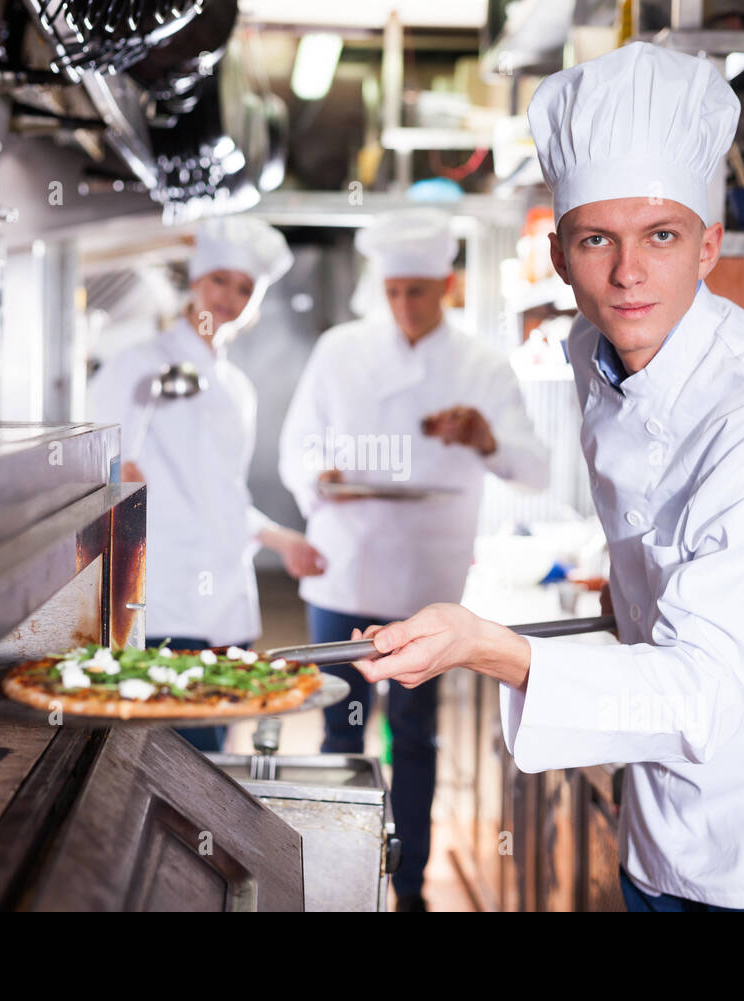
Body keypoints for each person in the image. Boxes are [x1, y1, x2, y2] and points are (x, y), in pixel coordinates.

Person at [346, 42, 744, 912]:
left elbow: (706, 690)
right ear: (559, 255)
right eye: (597, 239)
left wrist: (487, 643)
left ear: (709, 245)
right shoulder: (591, 349)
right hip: (658, 799)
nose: (628, 273)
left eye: (662, 236)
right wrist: (626, 602)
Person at [278, 208, 550, 911]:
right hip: (345, 569)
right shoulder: (341, 350)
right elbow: (296, 447)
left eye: (419, 291)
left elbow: (536, 469)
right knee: (339, 724)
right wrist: (323, 475)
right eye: (394, 290)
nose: (404, 305)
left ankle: (411, 883)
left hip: (429, 583)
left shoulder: (482, 366)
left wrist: (486, 438)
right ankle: (335, 873)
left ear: (448, 285)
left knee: (416, 735)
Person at [88, 214, 325, 752]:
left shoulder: (238, 388)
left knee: (214, 753)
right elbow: (100, 458)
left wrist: (280, 539)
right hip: (167, 591)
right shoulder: (139, 364)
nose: (228, 297)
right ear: (196, 280)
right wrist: (117, 469)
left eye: (244, 288)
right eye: (220, 280)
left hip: (227, 598)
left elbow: (223, 494)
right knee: (172, 754)